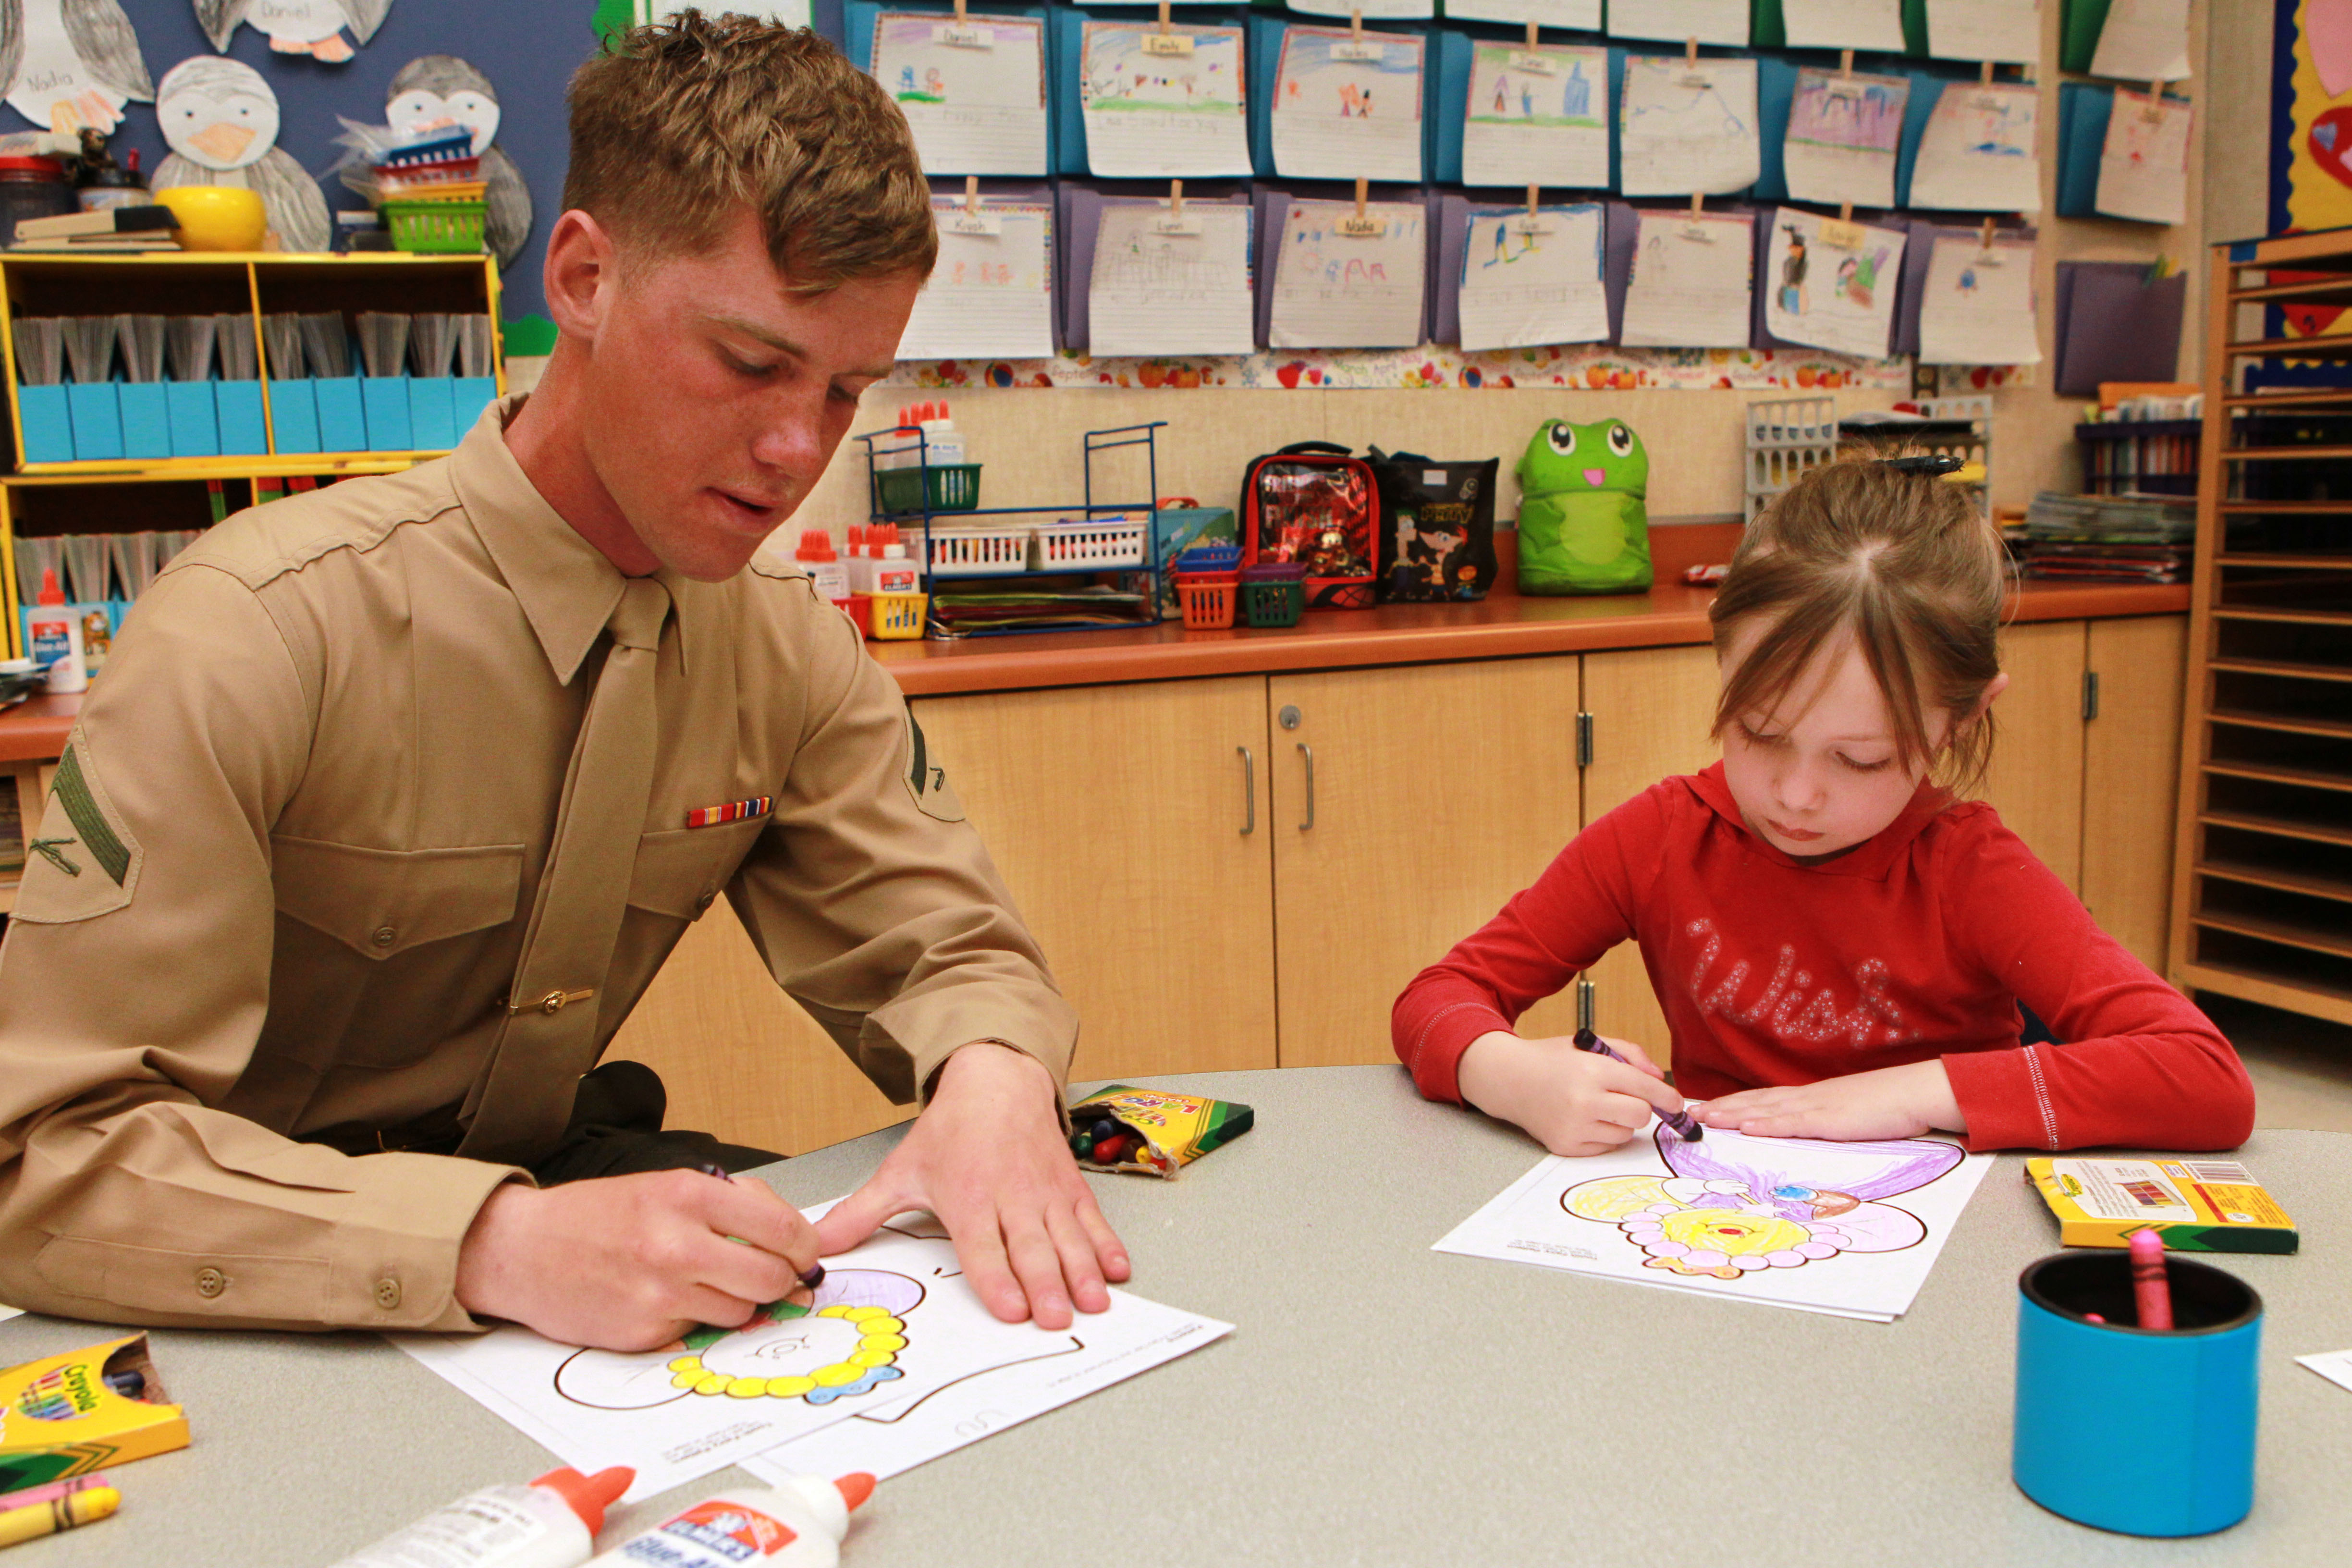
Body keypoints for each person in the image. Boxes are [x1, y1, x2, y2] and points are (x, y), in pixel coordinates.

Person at [0, 14, 1127, 1352]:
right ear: (584, 277)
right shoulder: (256, 636)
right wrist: (493, 1242)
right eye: (752, 364)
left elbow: (950, 946)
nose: (793, 449)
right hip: (237, 1296)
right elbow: (39, 1163)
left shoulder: (783, 648)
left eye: (845, 392)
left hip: (544, 1254)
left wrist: (991, 1077)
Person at [1392, 455, 2254, 1157]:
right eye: (1761, 734)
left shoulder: (1970, 871)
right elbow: (1441, 995)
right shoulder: (1662, 837)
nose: (1796, 796)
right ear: (1723, 664)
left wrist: (1919, 1093)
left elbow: (2205, 1079)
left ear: (1963, 718)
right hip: (1717, 1225)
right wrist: (1509, 1075)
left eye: (1861, 758)